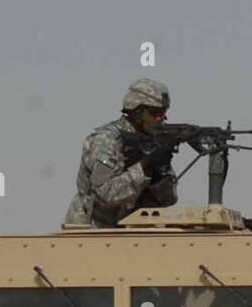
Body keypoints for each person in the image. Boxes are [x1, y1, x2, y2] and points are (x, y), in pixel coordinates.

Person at [63, 79, 179, 228]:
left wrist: (159, 176)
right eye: (154, 113)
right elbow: (105, 193)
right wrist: (143, 168)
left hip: (132, 229)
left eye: (163, 113)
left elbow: (169, 199)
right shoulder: (107, 140)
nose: (160, 119)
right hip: (93, 228)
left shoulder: (152, 143)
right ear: (137, 111)